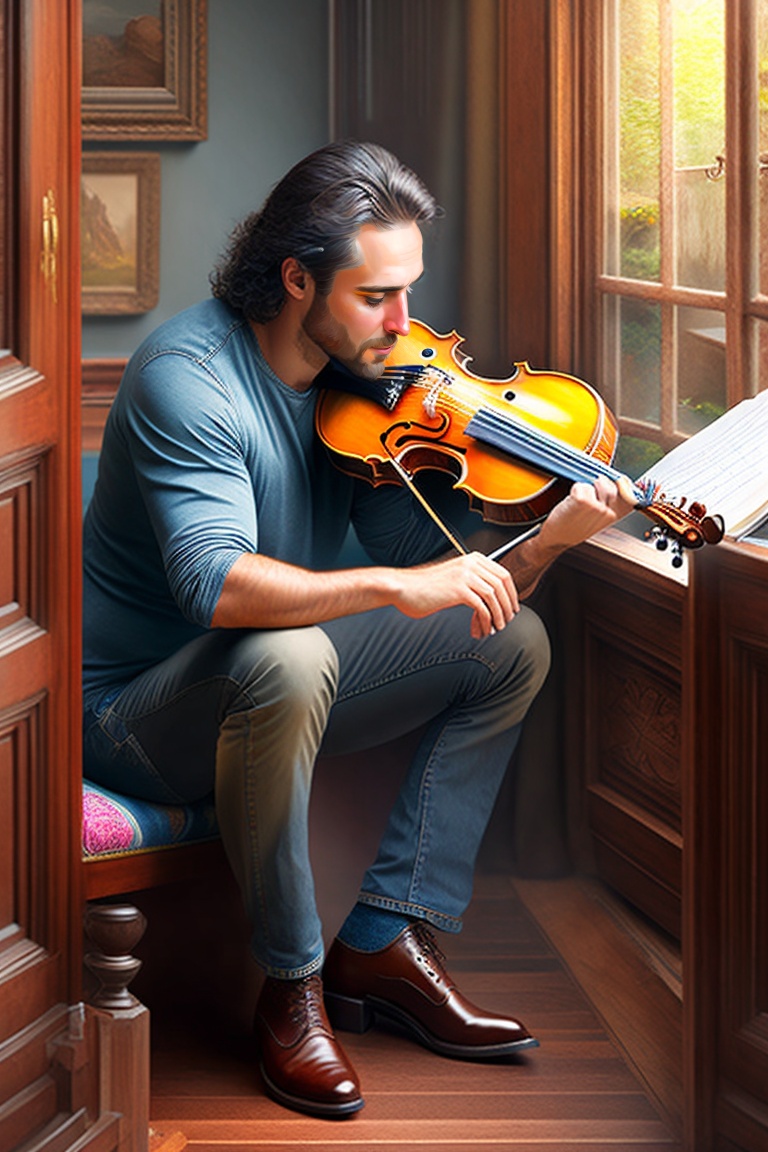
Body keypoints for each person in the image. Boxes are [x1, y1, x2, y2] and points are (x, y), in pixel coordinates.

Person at [82, 140, 631, 1119]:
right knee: (287, 659)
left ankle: (383, 940)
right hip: (134, 715)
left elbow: (453, 592)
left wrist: (548, 541)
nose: (405, 325)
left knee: (508, 645)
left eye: (409, 292)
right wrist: (391, 587)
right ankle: (290, 990)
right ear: (296, 278)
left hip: (263, 690)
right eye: (378, 296)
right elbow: (215, 586)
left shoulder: (361, 399)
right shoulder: (186, 377)